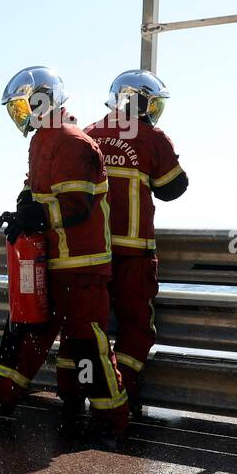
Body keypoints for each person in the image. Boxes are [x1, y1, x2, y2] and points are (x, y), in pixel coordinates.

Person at [0, 66, 130, 442]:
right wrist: (22, 209)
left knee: (88, 342)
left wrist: (36, 215)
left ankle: (111, 418)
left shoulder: (73, 142)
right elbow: (36, 191)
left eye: (22, 106)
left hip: (81, 266)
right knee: (27, 328)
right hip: (49, 262)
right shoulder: (42, 141)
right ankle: (3, 394)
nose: (20, 116)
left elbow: (76, 206)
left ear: (42, 100)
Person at [86, 70, 188, 415]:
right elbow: (174, 187)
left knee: (87, 327)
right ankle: (121, 390)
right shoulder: (151, 138)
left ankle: (77, 396)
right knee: (136, 328)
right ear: (140, 102)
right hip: (134, 254)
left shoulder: (88, 135)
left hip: (91, 255)